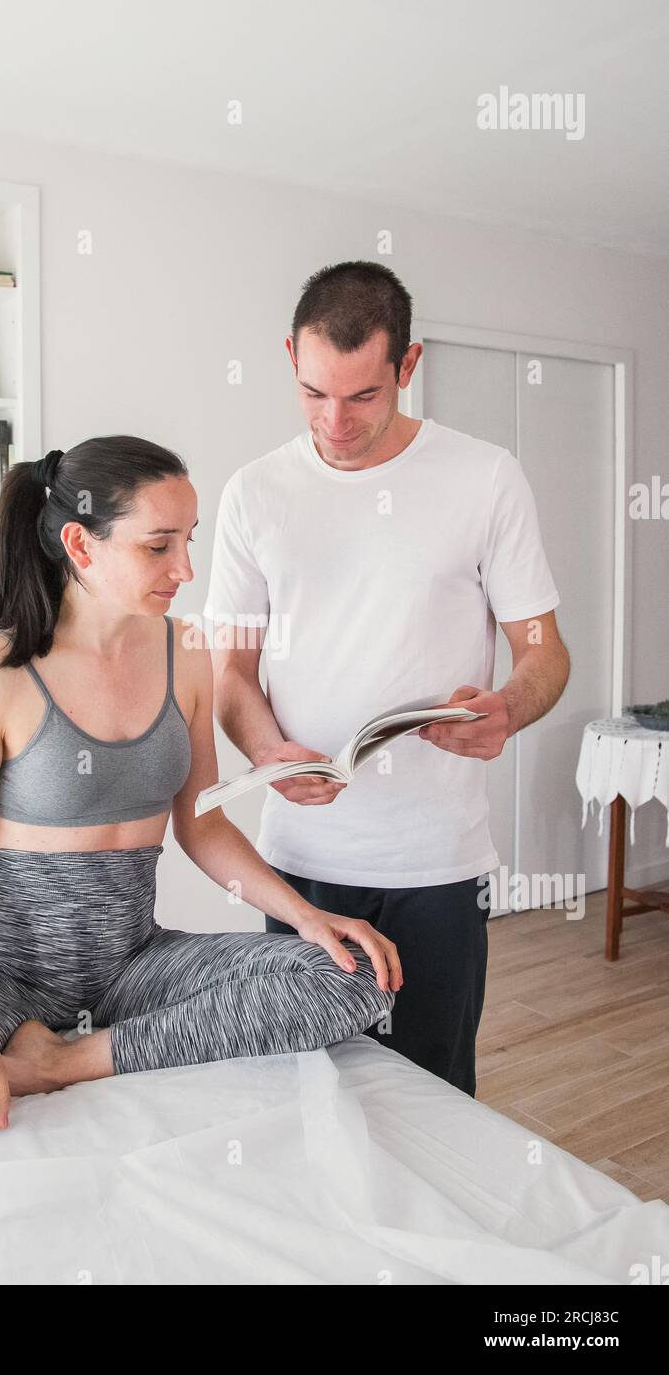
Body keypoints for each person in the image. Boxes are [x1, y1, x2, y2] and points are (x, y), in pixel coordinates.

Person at [0, 434, 402, 1286]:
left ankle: (59, 1063)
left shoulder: (185, 652)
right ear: (81, 545)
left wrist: (308, 917)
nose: (184, 567)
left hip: (133, 961)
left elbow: (199, 823)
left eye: (189, 539)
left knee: (350, 975)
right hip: (8, 973)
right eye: (160, 546)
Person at [203, 261, 570, 1099]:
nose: (333, 422)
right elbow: (230, 673)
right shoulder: (255, 493)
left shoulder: (484, 477)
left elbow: (546, 652)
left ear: (408, 367)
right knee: (306, 1094)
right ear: (290, 356)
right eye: (312, 393)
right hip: (302, 865)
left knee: (433, 1103)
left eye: (362, 396)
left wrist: (509, 707)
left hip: (437, 864)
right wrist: (266, 749)